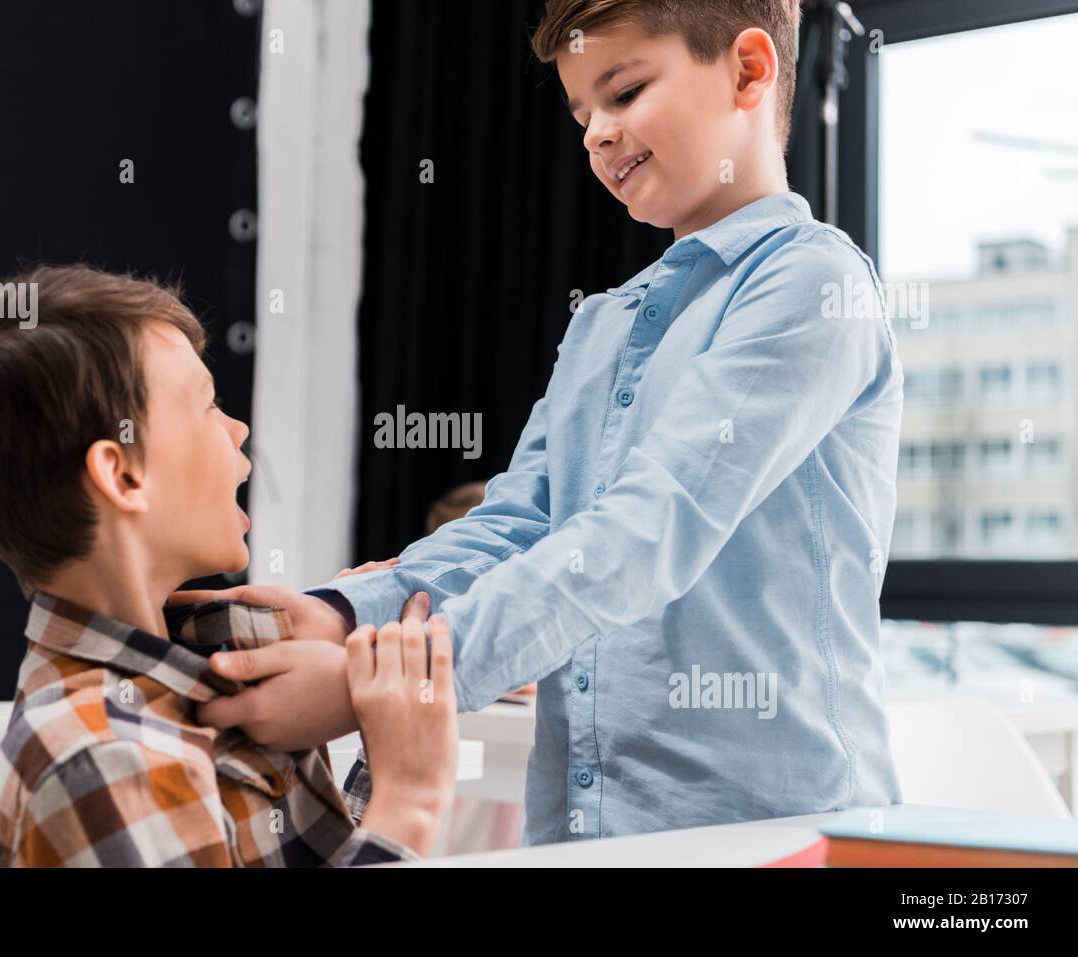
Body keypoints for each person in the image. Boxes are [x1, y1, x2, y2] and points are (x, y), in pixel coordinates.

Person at [186, 0, 904, 845]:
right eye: (580, 113)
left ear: (748, 70)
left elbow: (646, 529)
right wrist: (346, 614)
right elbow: (518, 526)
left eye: (624, 93)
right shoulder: (603, 323)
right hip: (583, 833)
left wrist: (377, 685)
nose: (597, 133)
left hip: (773, 835)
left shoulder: (814, 285)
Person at [0, 264, 457, 866]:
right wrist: (408, 802)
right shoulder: (104, 763)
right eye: (207, 405)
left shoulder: (203, 661)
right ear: (123, 475)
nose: (238, 430)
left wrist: (384, 731)